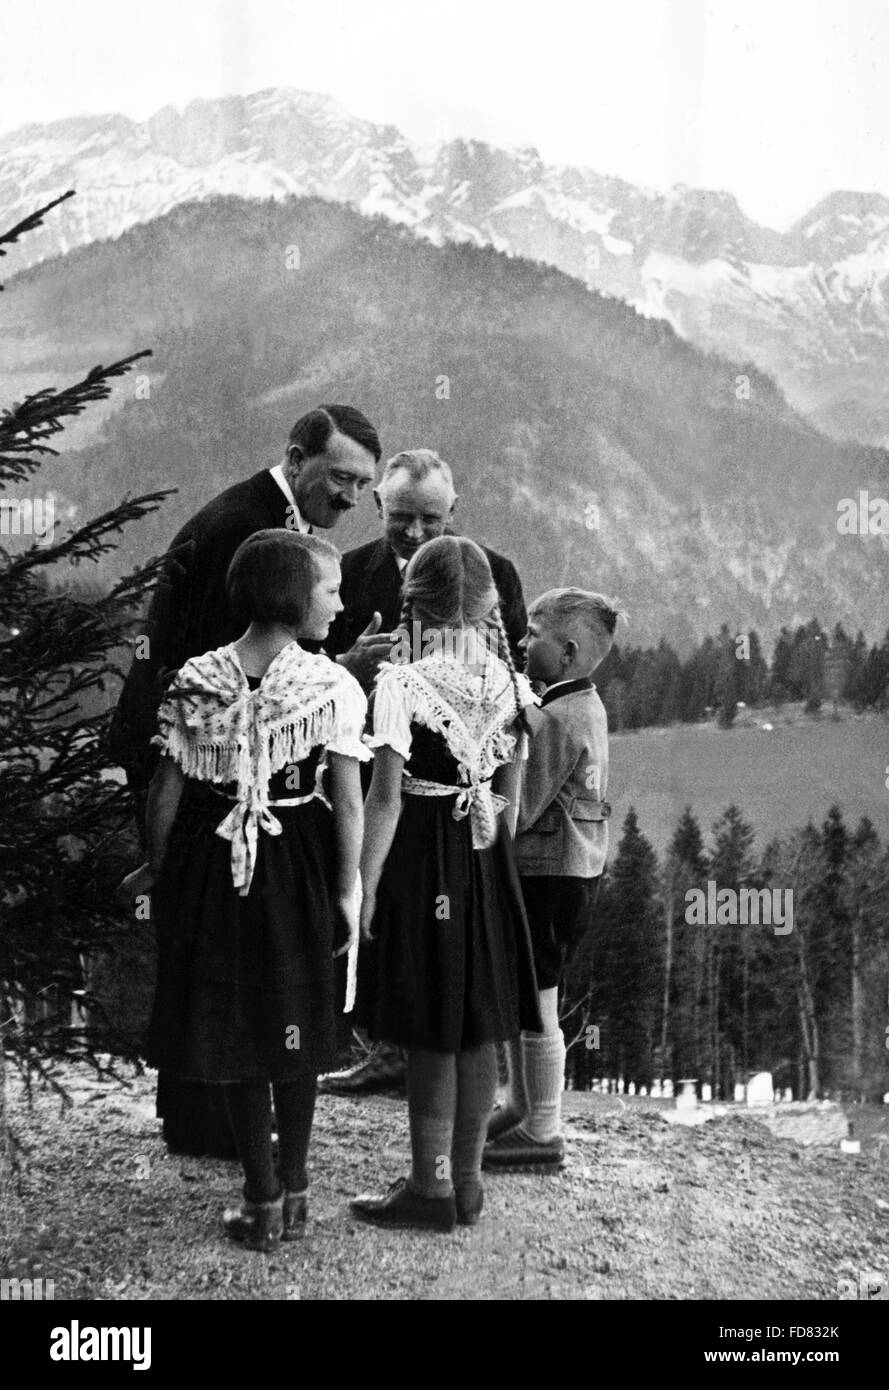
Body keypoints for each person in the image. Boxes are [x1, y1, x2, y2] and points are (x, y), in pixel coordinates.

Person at [109, 403, 383, 1157]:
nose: (350, 499)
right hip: (211, 769)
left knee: (218, 955)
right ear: (296, 458)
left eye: (363, 486)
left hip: (207, 766)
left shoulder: (266, 523)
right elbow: (222, 672)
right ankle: (217, 1125)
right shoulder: (248, 531)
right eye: (339, 478)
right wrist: (332, 681)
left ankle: (216, 1119)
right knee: (238, 957)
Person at [119, 531, 369, 1251]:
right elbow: (348, 803)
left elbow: (166, 790)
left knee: (234, 1026)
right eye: (329, 590)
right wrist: (347, 890)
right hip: (296, 870)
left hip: (214, 867)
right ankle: (294, 1192)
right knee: (292, 1023)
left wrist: (156, 866)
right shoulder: (331, 687)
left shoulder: (195, 678)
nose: (341, 602)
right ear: (294, 596)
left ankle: (259, 1198)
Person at [320, 449, 528, 1095]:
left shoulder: (491, 573)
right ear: (378, 506)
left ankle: (445, 1052)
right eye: (401, 518)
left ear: (453, 512)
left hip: (446, 783)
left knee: (427, 908)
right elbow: (308, 658)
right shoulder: (348, 574)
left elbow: (510, 662)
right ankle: (389, 1048)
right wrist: (349, 664)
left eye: (429, 520)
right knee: (391, 915)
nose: (413, 533)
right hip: (358, 758)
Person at [349, 536, 541, 1232]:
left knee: (430, 1027)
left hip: (423, 855)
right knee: (476, 1026)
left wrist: (364, 887)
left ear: (412, 604)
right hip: (487, 858)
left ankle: (428, 1187)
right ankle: (466, 1184)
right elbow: (511, 796)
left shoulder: (402, 684)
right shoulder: (512, 685)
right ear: (489, 606)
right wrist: (489, 869)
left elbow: (383, 799)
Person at [482, 588, 618, 1170]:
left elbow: (519, 806)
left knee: (538, 999)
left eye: (532, 632)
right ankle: (523, 1110)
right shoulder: (580, 705)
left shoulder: (558, 718)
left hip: (547, 875)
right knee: (534, 992)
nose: (520, 639)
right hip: (573, 871)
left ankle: (542, 1130)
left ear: (564, 653)